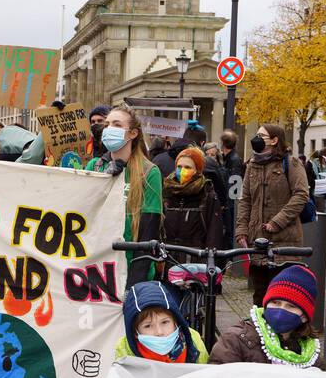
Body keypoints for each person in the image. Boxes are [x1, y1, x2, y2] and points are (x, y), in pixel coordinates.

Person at [84, 104, 162, 287]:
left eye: (117, 125)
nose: (110, 129)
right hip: (95, 269)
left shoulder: (149, 172)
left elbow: (148, 232)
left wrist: (136, 281)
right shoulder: (95, 166)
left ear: (133, 133)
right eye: (107, 124)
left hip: (129, 268)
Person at [235, 123, 309, 306]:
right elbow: (245, 200)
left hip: (284, 242)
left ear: (275, 140)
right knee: (259, 297)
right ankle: (260, 333)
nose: (257, 139)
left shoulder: (291, 163)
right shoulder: (252, 165)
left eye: (262, 136)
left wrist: (277, 222)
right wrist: (241, 229)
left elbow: (301, 195)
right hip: (257, 243)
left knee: (281, 296)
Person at [210, 265, 322, 368]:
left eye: (291, 306)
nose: (280, 310)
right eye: (275, 302)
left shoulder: (310, 352)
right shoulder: (236, 339)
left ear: (304, 317)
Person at [115, 281, 208, 363]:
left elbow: (204, 377)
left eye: (164, 322)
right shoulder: (125, 349)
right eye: (148, 326)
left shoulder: (193, 340)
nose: (159, 332)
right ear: (135, 331)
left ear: (176, 321)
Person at [161, 145, 223, 251]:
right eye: (179, 167)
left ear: (197, 170)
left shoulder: (207, 194)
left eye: (188, 167)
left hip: (196, 260)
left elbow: (214, 233)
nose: (182, 170)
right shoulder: (167, 190)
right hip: (169, 257)